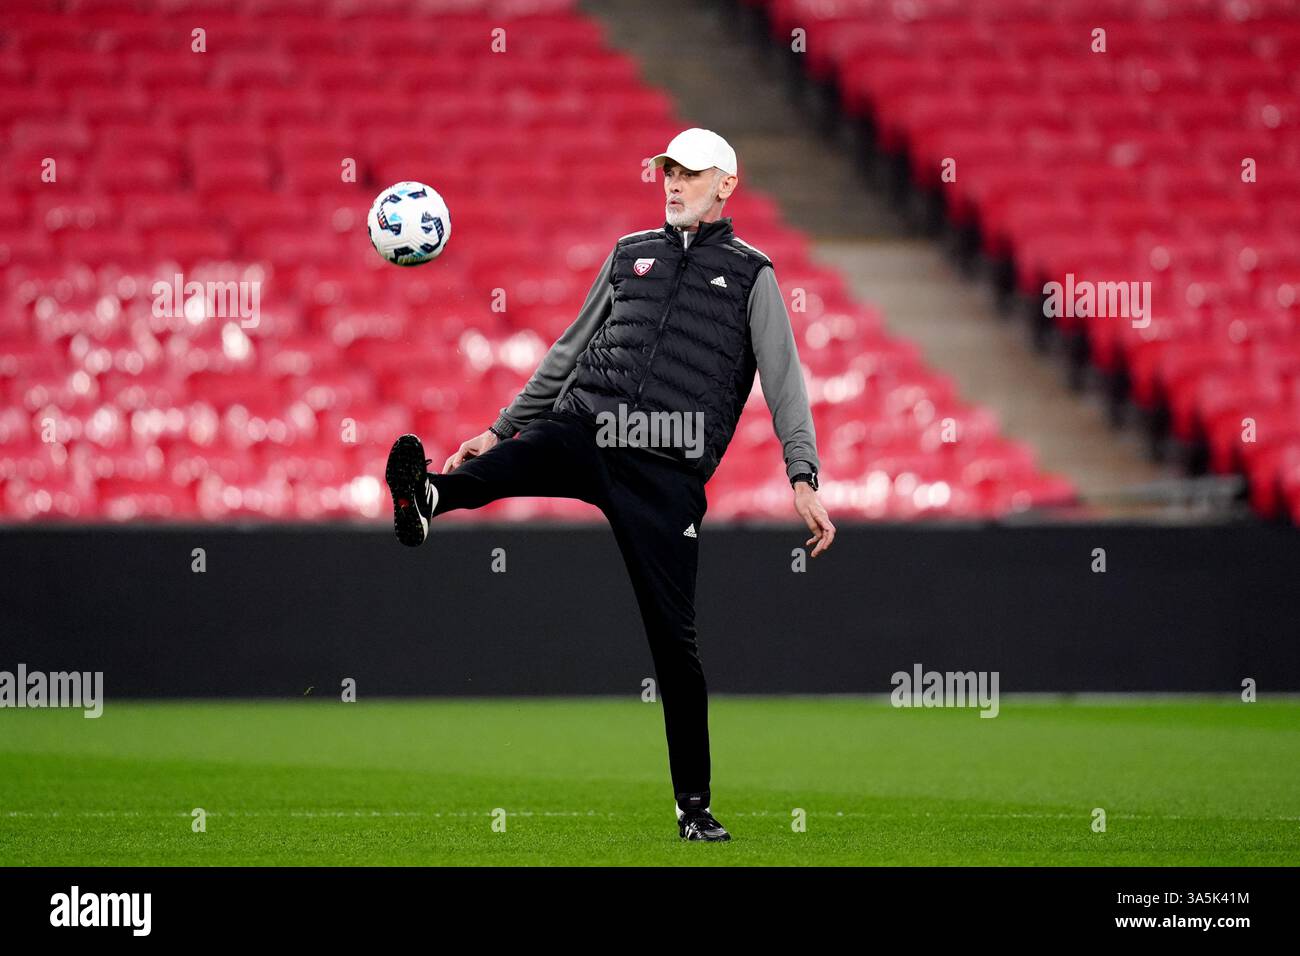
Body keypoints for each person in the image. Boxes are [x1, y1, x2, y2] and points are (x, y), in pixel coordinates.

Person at [385, 127, 835, 841]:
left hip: (668, 469)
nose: (672, 183)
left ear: (726, 184)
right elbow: (569, 348)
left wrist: (802, 474)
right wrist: (503, 426)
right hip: (592, 425)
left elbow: (784, 381)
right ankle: (431, 497)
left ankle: (694, 806)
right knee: (522, 456)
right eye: (666, 172)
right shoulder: (632, 254)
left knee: (674, 646)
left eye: (688, 173)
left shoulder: (753, 274)